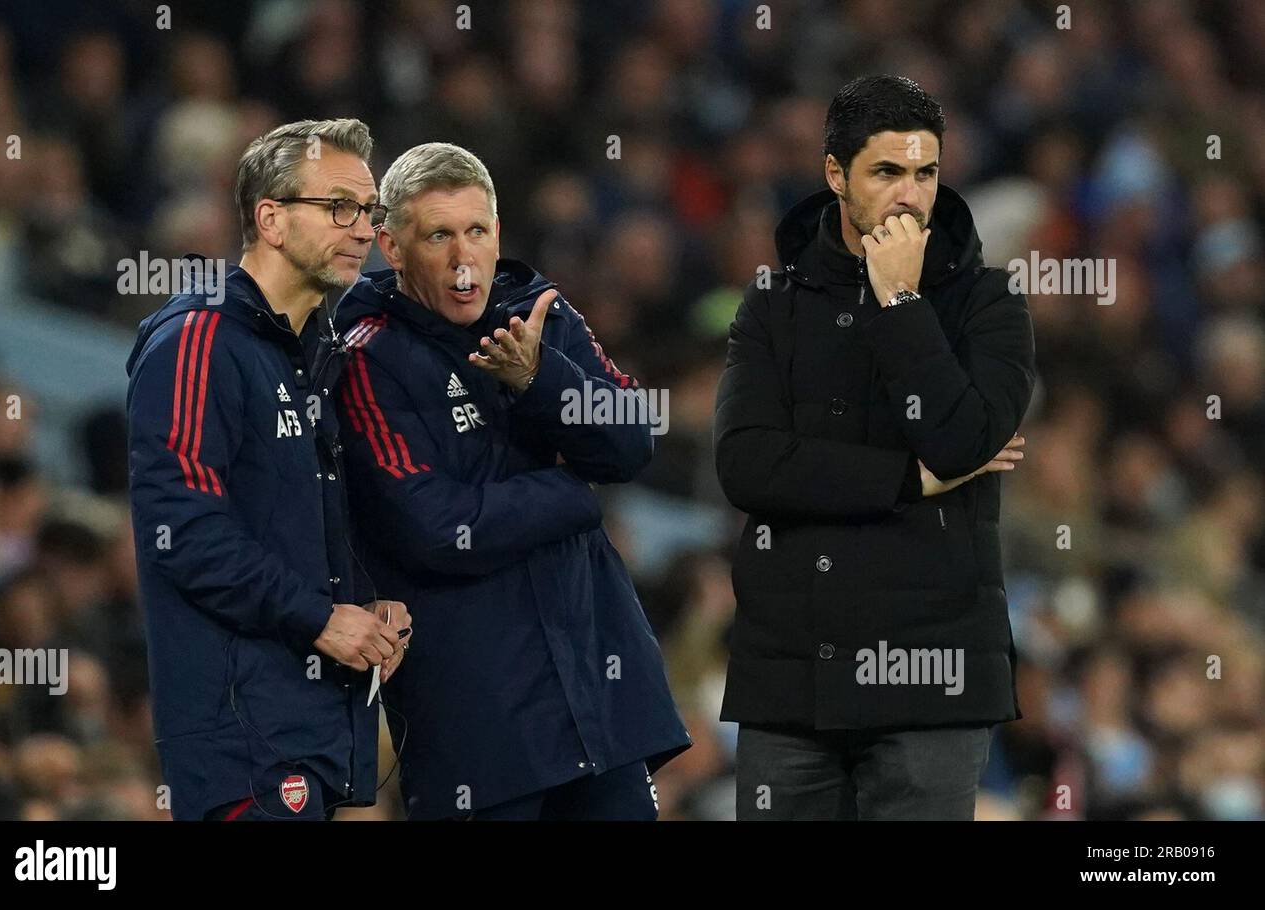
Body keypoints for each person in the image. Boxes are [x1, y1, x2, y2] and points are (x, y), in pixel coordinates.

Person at [334, 141, 690, 820]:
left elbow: (631, 444)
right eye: (438, 235)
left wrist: (537, 380)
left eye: (476, 230)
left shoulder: (541, 315)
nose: (463, 256)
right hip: (482, 728)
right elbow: (436, 528)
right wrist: (571, 494)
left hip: (600, 695)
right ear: (391, 246)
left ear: (498, 233)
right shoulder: (367, 360)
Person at [714, 75, 1036, 820]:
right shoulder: (771, 306)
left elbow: (959, 440)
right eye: (887, 172)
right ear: (836, 175)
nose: (910, 195)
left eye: (925, 173)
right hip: (793, 679)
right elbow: (747, 465)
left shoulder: (989, 302)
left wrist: (900, 302)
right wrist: (908, 479)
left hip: (933, 678)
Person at [126, 118, 411, 821]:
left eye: (370, 213)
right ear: (271, 218)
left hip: (311, 725)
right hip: (239, 733)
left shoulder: (320, 354)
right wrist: (319, 617)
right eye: (339, 206)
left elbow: (299, 524)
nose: (362, 230)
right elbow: (183, 532)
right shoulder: (198, 337)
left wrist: (367, 602)